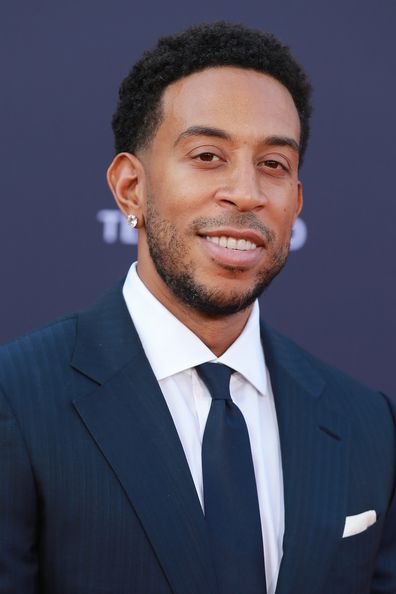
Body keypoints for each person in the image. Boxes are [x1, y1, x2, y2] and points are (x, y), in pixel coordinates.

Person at [0, 22, 395, 594]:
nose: (246, 191)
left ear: (297, 201)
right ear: (131, 188)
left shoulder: (368, 425)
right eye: (208, 156)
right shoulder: (17, 399)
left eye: (274, 164)